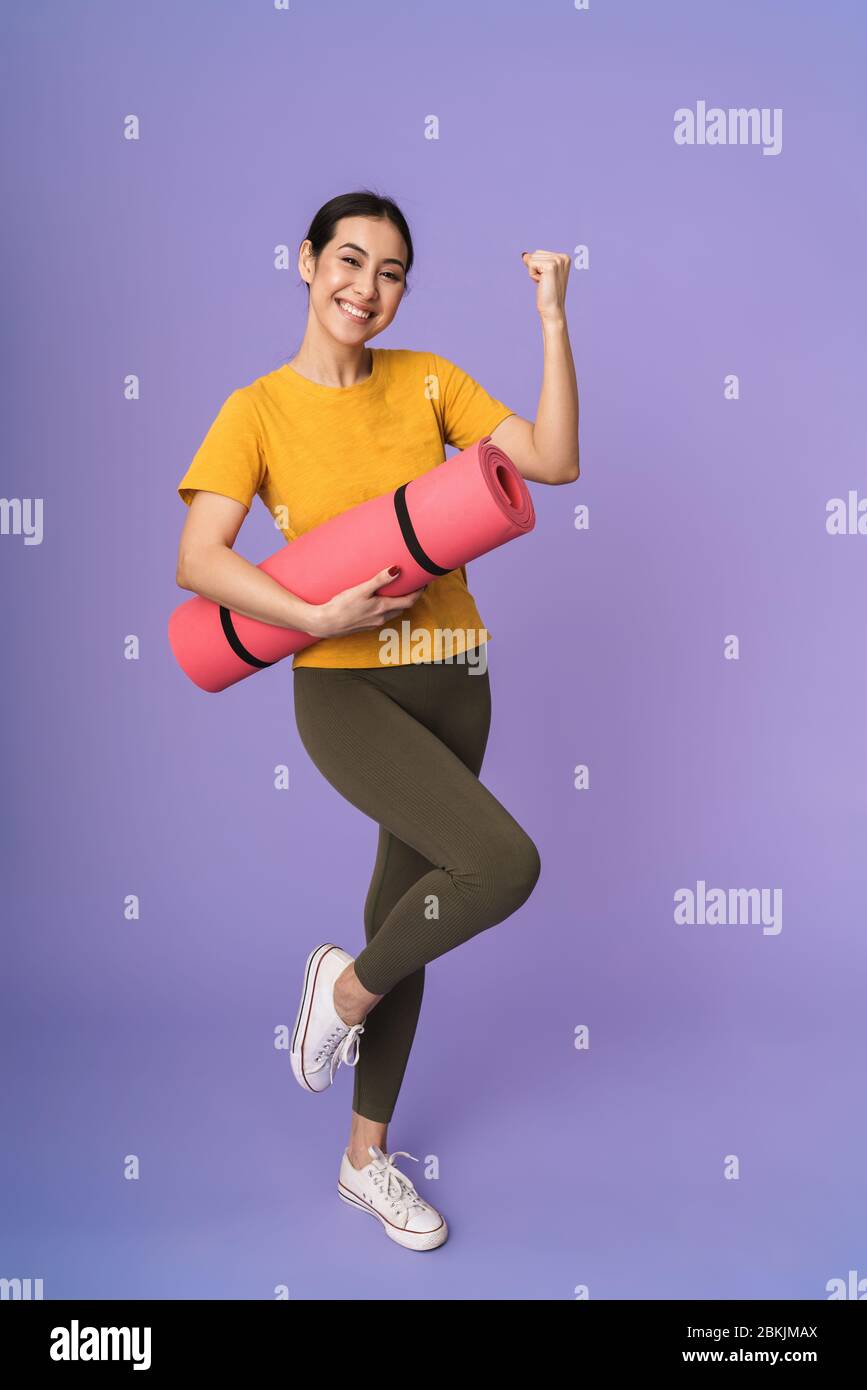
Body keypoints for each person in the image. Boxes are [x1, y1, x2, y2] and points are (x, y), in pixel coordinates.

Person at [174, 188, 580, 1251]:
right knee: (502, 864)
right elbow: (199, 559)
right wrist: (314, 612)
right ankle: (343, 992)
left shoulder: (428, 379)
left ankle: (365, 1159)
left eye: (391, 272)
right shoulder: (254, 408)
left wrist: (551, 316)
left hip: (459, 673)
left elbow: (549, 461)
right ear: (305, 263)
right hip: (344, 684)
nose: (367, 287)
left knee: (414, 912)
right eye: (348, 261)